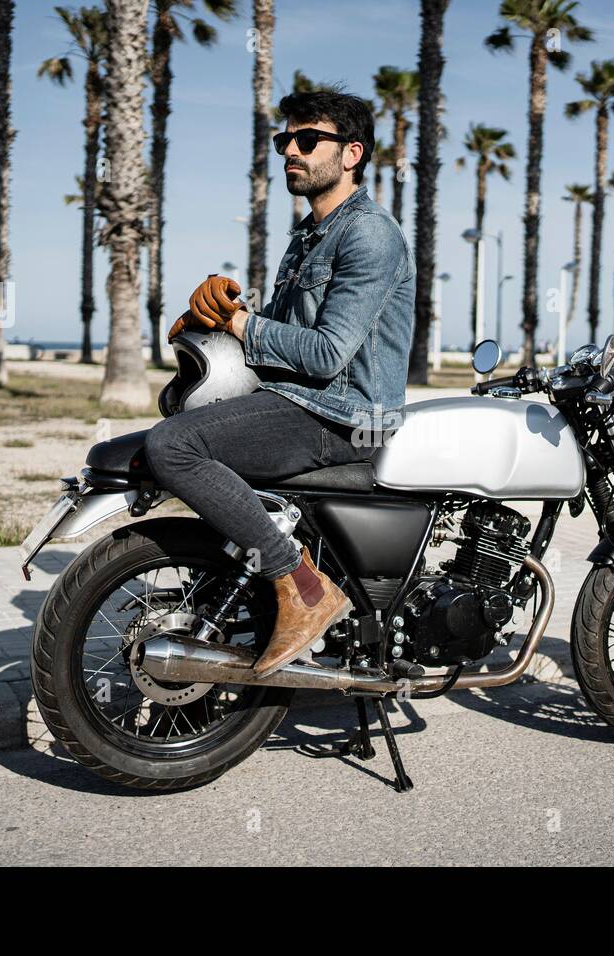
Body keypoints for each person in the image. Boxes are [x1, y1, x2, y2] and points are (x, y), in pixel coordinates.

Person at [144, 89, 415, 678]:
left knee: (173, 447)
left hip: (346, 416)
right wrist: (212, 320)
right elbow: (290, 338)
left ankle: (305, 590)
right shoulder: (308, 237)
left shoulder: (369, 235)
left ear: (351, 154)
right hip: (302, 402)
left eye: (306, 139)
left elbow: (325, 355)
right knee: (176, 415)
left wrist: (240, 322)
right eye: (283, 140)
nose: (289, 150)